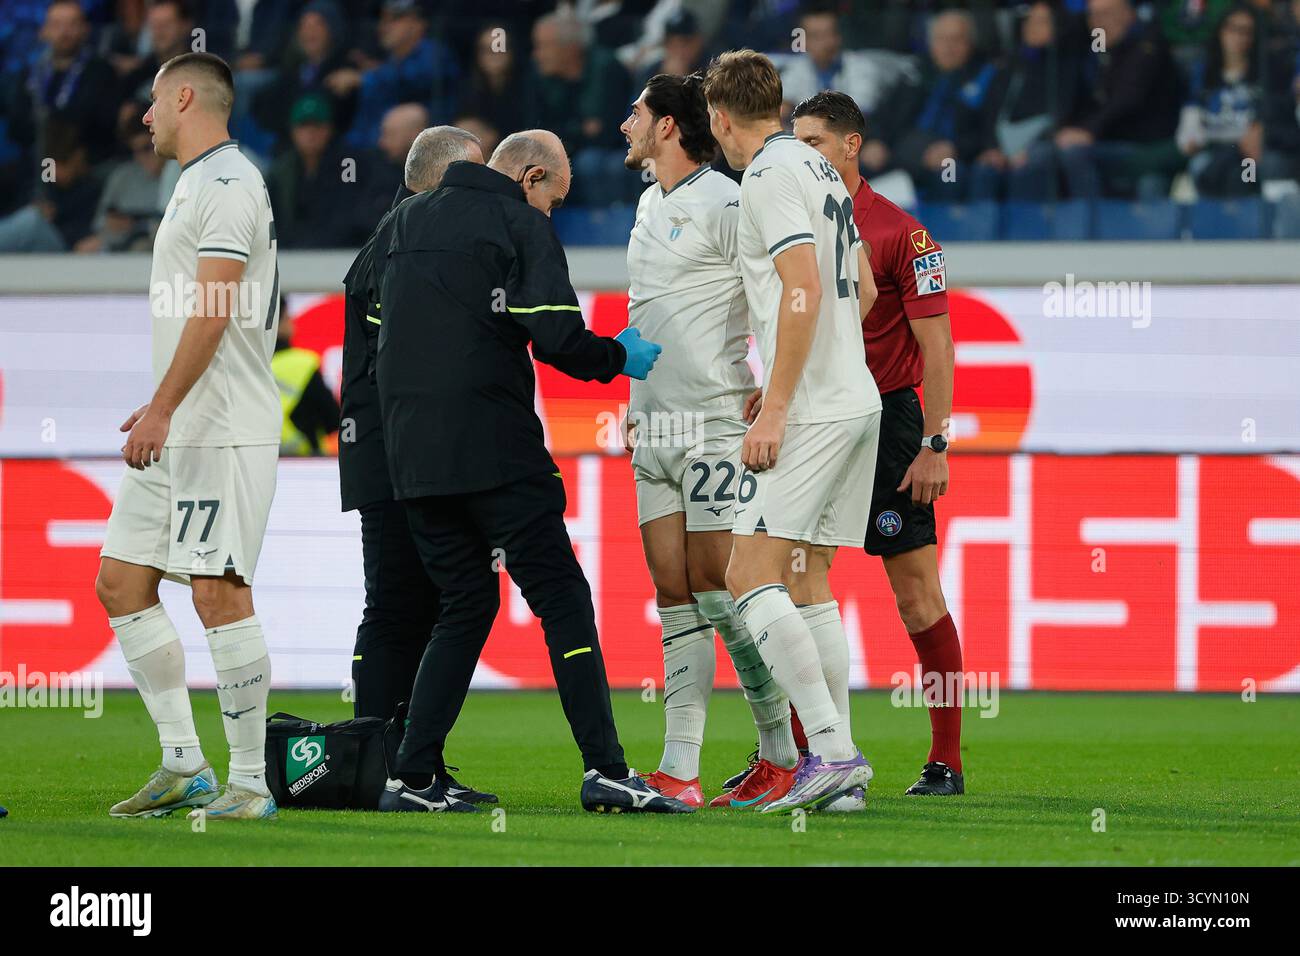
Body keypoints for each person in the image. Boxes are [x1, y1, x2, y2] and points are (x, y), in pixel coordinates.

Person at [369, 129, 689, 815]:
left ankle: (411, 776)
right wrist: (616, 357)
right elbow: (557, 338)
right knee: (563, 600)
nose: (553, 212)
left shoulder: (400, 222)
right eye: (555, 198)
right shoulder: (516, 221)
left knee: (465, 603)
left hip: (412, 460)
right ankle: (605, 769)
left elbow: (375, 332)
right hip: (495, 452)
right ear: (531, 176)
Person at [93, 52, 281, 822]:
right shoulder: (194, 183)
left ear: (183, 98)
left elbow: (214, 309)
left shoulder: (232, 183)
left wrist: (165, 406)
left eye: (151, 105)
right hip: (178, 420)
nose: (144, 118)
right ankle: (183, 764)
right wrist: (161, 405)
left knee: (217, 591)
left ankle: (250, 783)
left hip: (220, 426)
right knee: (121, 581)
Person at [616, 73, 799, 811]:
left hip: (715, 423)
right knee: (674, 594)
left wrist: (774, 390)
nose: (625, 123)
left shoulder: (728, 200)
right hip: (652, 423)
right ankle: (679, 770)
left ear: (667, 127)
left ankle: (783, 748)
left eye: (636, 112)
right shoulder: (646, 201)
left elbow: (776, 292)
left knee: (720, 587)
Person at [703, 50, 880, 815]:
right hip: (853, 397)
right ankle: (837, 785)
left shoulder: (770, 177)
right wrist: (810, 367)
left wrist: (778, 400)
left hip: (809, 410)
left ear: (718, 118)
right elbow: (863, 290)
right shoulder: (821, 172)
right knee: (807, 581)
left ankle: (835, 755)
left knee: (748, 573)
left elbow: (803, 288)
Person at [793, 91, 966, 796]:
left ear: (849, 145)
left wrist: (935, 441)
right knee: (794, 584)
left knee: (915, 592)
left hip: (889, 420)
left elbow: (939, 346)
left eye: (812, 141)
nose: (798, 153)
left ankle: (946, 760)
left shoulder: (902, 233)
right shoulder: (786, 219)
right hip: (811, 413)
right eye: (792, 140)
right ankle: (811, 756)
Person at [339, 124, 496, 806]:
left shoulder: (387, 239)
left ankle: (391, 762)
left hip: (386, 451)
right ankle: (393, 766)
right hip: (402, 453)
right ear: (443, 177)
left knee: (408, 605)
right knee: (414, 604)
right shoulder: (409, 241)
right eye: (475, 176)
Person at [272, 304, 340, 456]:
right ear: (278, 323)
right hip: (304, 459)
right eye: (287, 317)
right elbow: (332, 418)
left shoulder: (245, 364)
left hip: (256, 457)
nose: (292, 322)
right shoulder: (302, 363)